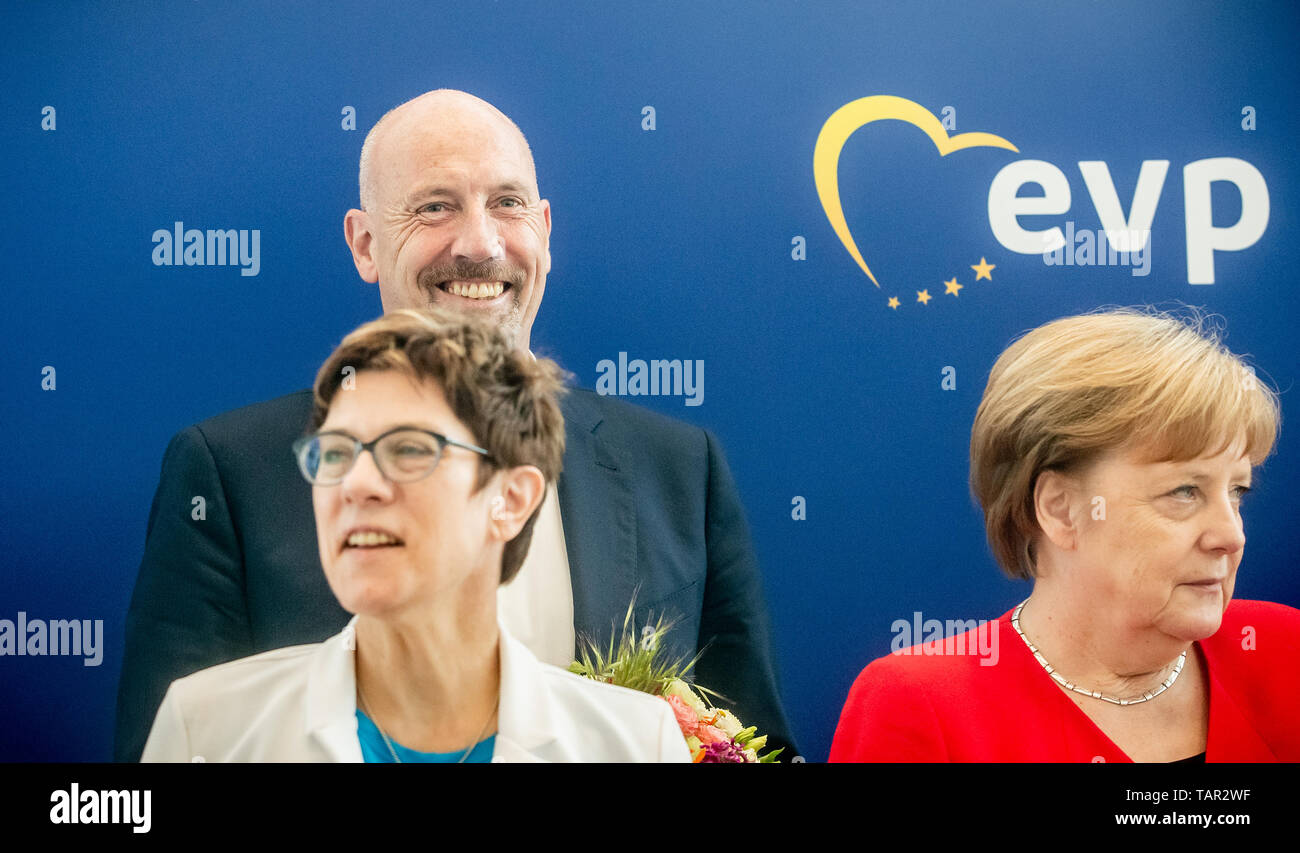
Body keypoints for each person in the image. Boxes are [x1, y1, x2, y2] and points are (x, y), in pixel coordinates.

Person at [117, 89, 794, 762]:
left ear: (546, 231)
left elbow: (758, 744)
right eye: (434, 206)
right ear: (364, 243)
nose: (479, 242)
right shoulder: (229, 473)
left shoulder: (680, 468)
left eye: (507, 203)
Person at [141, 308, 691, 762]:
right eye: (334, 453)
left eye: (408, 449)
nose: (356, 485)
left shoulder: (636, 745)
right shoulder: (207, 731)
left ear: (513, 499)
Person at [830, 307, 1300, 762]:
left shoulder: (1280, 649)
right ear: (1061, 510)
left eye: (1237, 490)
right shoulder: (921, 706)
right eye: (1183, 491)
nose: (1230, 535)